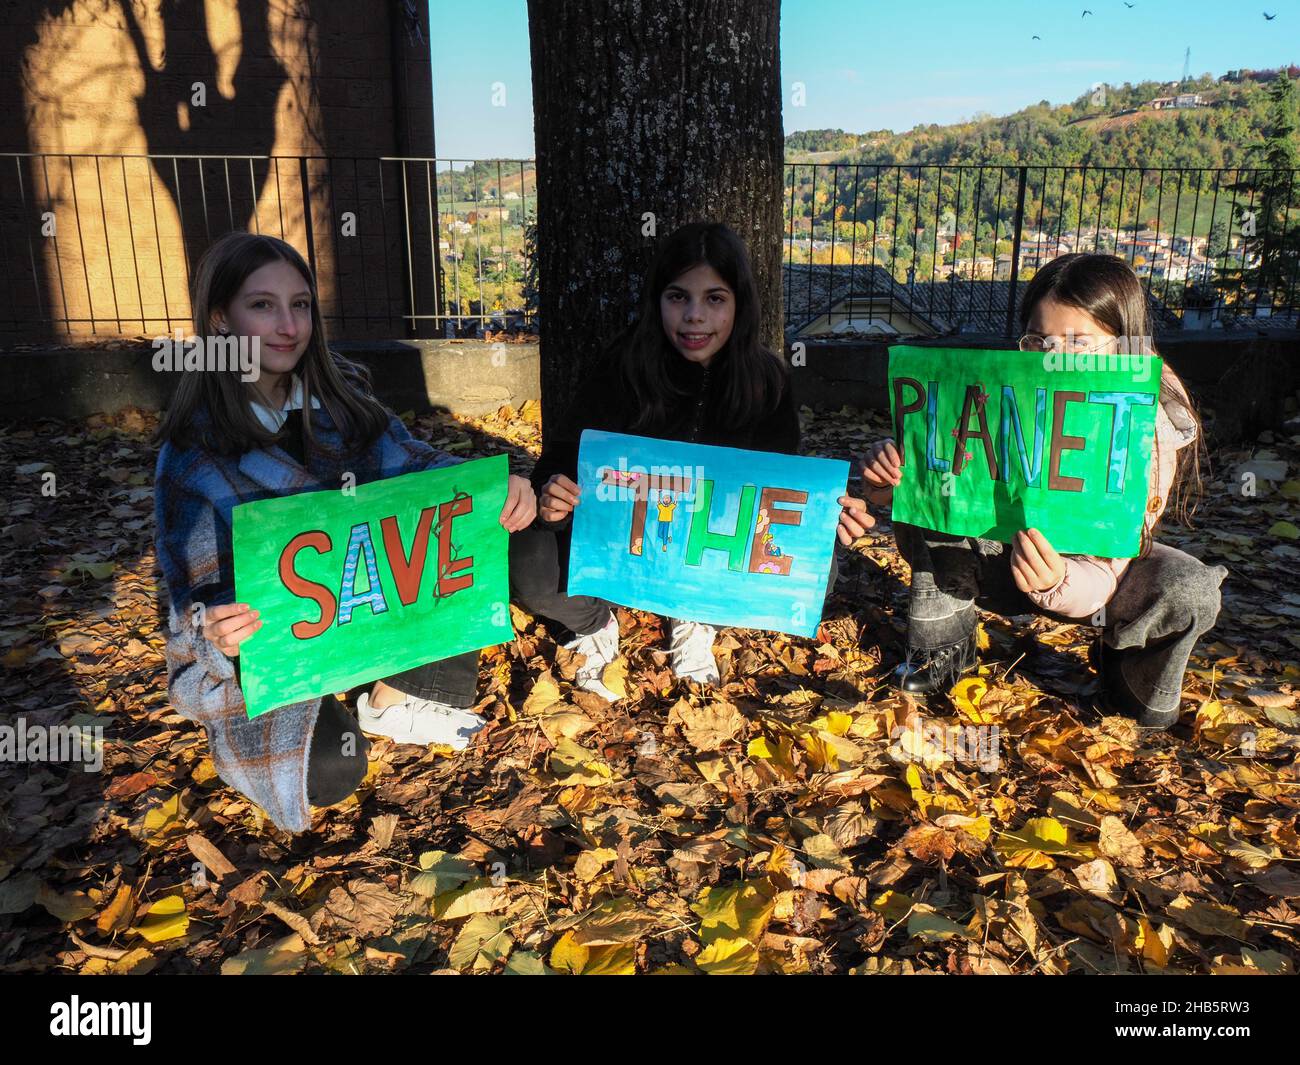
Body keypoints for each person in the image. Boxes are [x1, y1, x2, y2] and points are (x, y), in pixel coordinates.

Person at [153, 232, 536, 831]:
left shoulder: (339, 397)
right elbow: (188, 613)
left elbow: (415, 466)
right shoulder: (194, 454)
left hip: (366, 611)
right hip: (278, 647)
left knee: (483, 524)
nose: (288, 325)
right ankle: (333, 707)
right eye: (263, 305)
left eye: (300, 304)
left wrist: (494, 484)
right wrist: (217, 636)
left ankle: (390, 699)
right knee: (329, 771)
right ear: (220, 319)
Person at [860, 252, 1226, 730]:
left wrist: (1057, 584)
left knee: (1189, 588)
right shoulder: (994, 395)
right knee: (936, 498)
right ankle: (944, 651)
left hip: (1098, 580)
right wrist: (888, 488)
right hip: (999, 555)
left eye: (1079, 344)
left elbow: (1108, 565)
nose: (1055, 361)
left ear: (1125, 345)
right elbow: (932, 489)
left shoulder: (1148, 423)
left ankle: (1133, 680)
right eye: (1039, 341)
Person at [509, 221, 872, 699]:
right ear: (657, 301)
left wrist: (827, 521)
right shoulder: (621, 365)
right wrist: (553, 497)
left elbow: (781, 484)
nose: (695, 317)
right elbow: (559, 461)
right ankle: (597, 622)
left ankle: (698, 615)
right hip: (621, 546)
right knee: (526, 559)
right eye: (678, 297)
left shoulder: (767, 380)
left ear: (739, 305)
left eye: (715, 299)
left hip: (710, 553)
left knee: (817, 570)